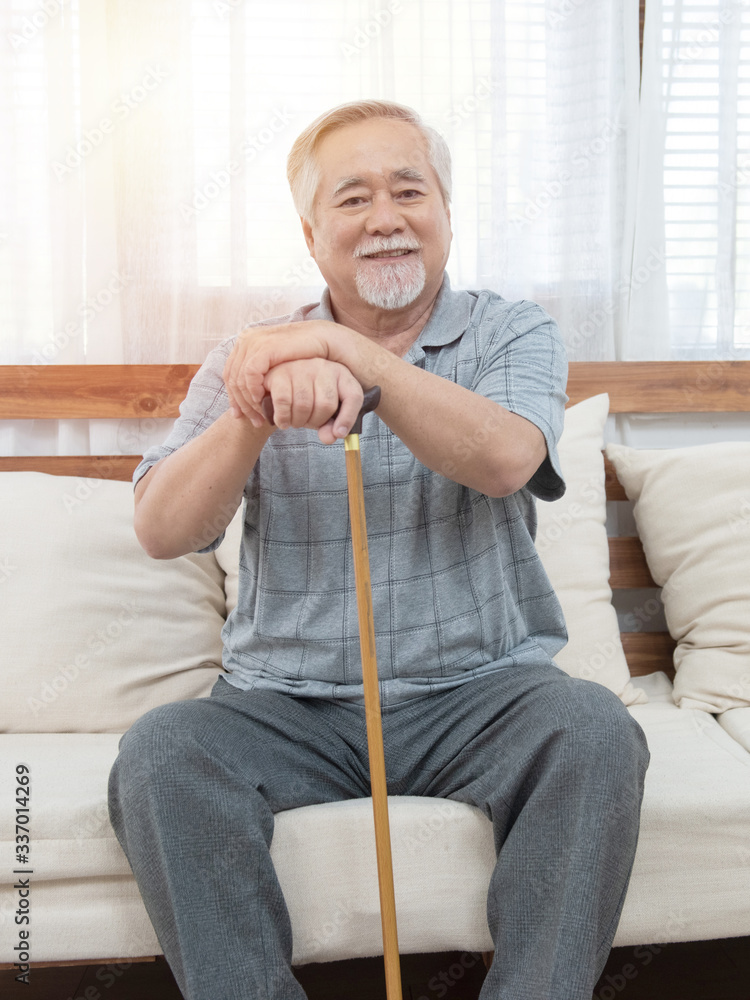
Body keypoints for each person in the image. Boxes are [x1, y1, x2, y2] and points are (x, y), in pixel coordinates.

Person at [108, 99, 650, 1000]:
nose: (386, 216)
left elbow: (509, 459)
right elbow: (165, 529)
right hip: (285, 706)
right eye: (353, 199)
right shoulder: (247, 359)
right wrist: (257, 401)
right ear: (313, 235)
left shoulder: (512, 332)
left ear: (445, 211)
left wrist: (357, 359)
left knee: (595, 731)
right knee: (164, 751)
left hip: (483, 693)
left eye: (410, 189)